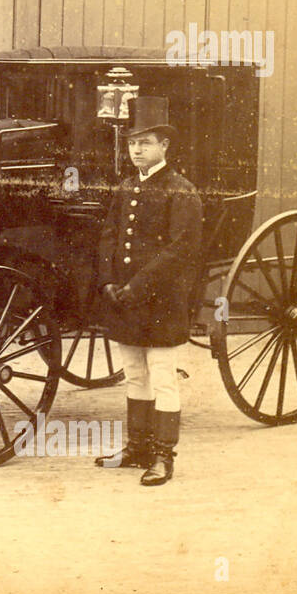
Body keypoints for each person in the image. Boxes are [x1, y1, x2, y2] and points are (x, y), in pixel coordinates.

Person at [93, 96, 203, 486]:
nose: (136, 149)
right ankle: (136, 448)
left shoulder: (181, 190)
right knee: (134, 376)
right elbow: (108, 235)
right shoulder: (125, 187)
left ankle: (163, 456)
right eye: (131, 143)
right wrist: (108, 281)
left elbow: (180, 251)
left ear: (164, 146)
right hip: (125, 300)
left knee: (162, 378)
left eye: (145, 142)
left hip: (160, 303)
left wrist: (136, 287)